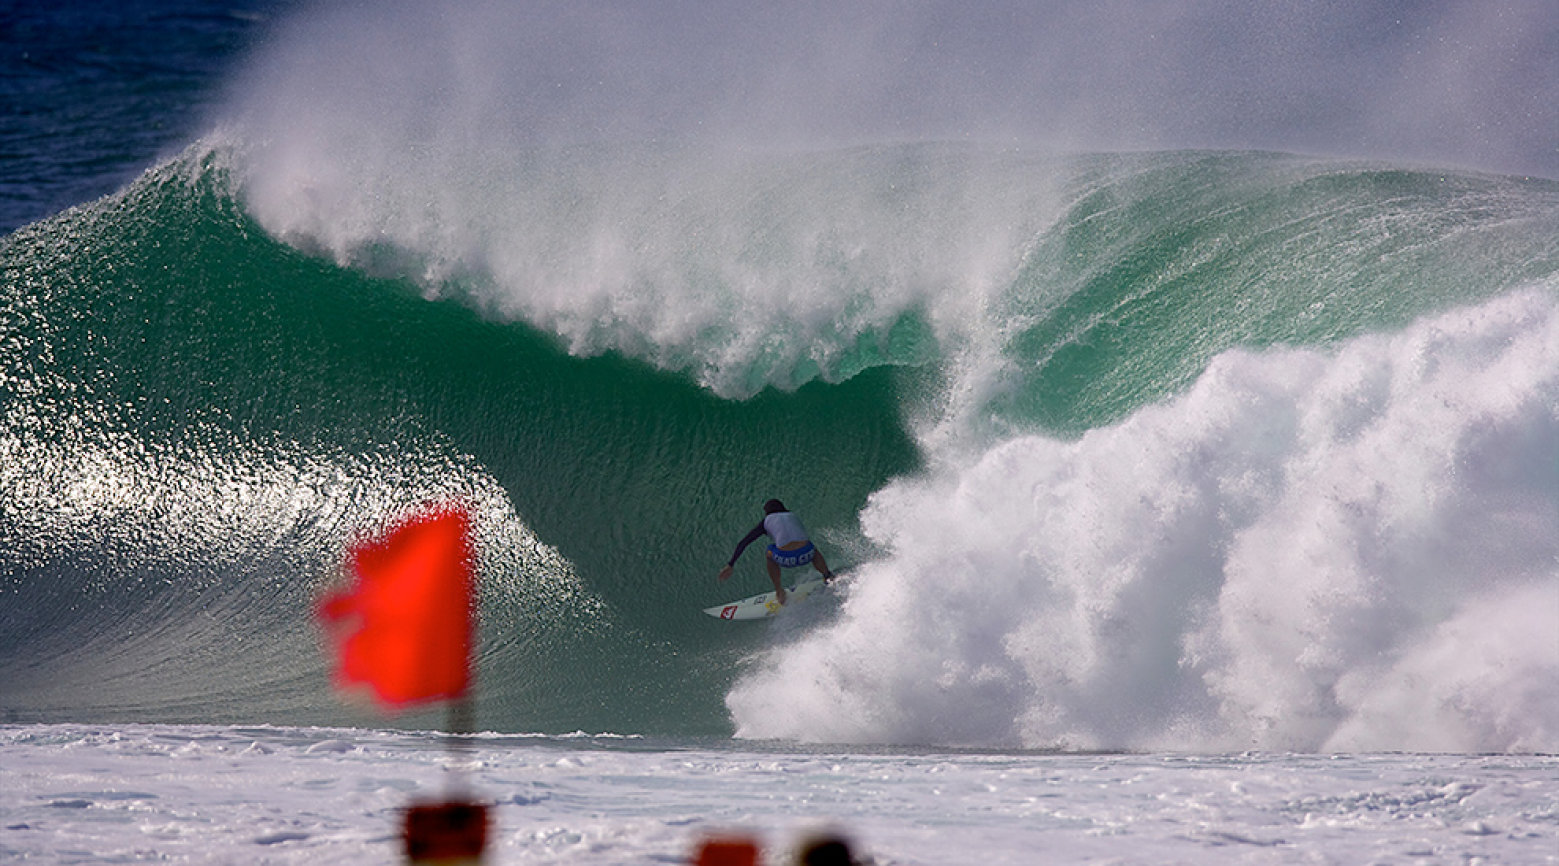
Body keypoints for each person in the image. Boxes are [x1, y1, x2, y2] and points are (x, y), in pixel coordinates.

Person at [718, 499, 835, 605]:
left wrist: (730, 564)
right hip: (807, 554)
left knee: (769, 552)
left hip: (786, 559)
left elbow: (743, 543)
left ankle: (779, 591)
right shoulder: (792, 515)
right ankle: (827, 575)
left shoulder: (766, 521)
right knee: (812, 548)